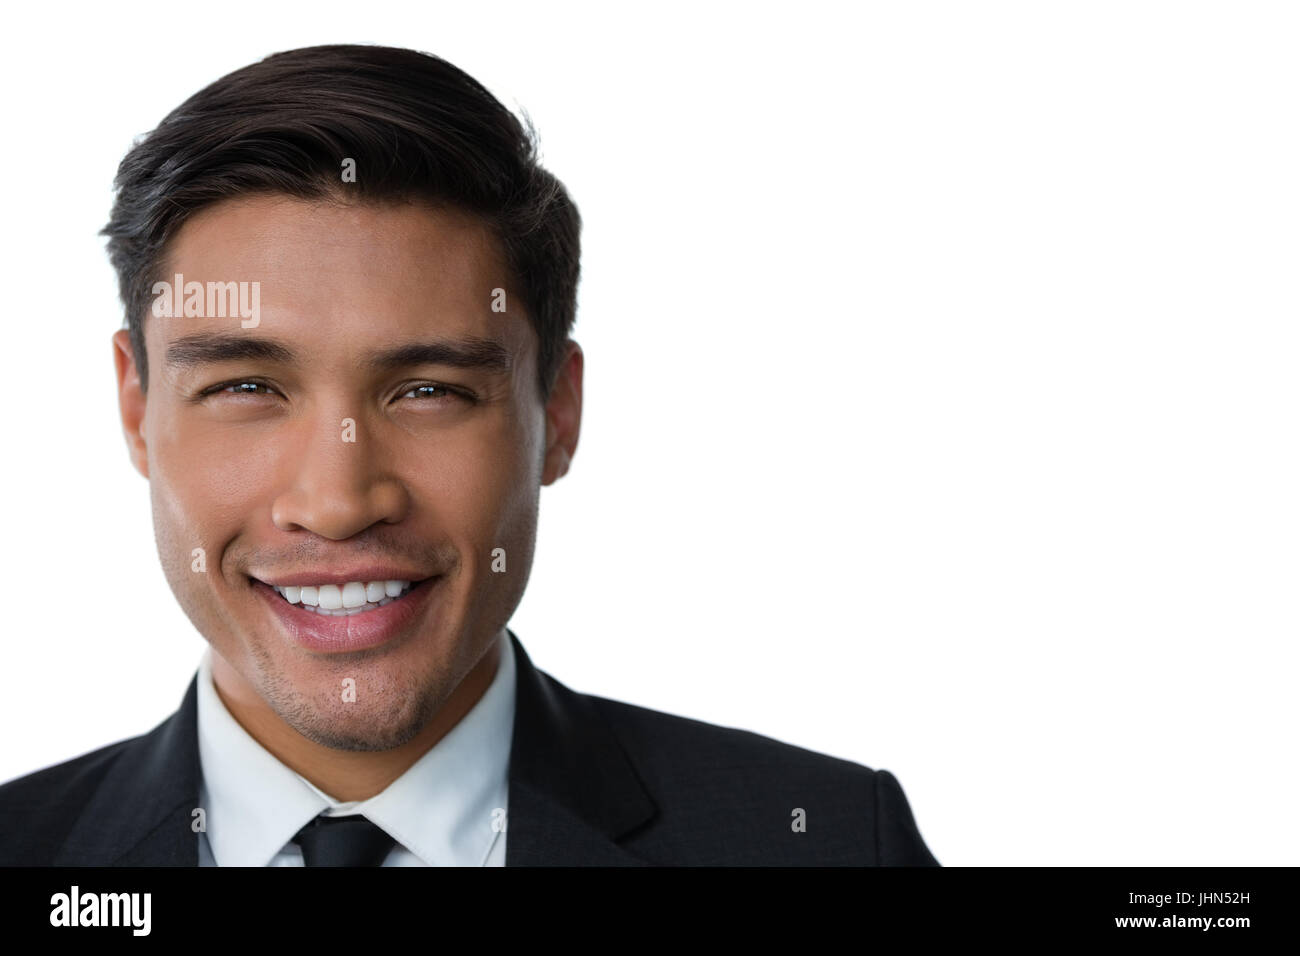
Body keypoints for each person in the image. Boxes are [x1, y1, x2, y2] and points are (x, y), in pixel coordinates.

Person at [0, 44, 937, 866]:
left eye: (430, 391)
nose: (337, 501)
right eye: (247, 387)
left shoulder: (830, 843)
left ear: (556, 414)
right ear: (137, 406)